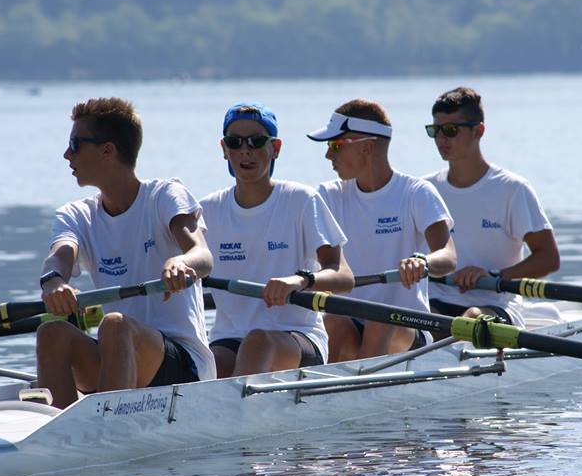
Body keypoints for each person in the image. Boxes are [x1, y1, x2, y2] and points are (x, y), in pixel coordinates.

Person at [36, 97, 215, 408]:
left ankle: (104, 429)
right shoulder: (77, 215)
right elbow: (60, 255)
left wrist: (181, 262)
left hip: (183, 366)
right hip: (117, 353)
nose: (66, 155)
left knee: (116, 326)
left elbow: (202, 256)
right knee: (52, 332)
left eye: (75, 144)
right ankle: (60, 435)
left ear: (108, 150)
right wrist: (54, 282)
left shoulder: (164, 197)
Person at [201, 102, 354, 377]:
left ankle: (241, 415)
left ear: (276, 148)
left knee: (259, 342)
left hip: (297, 336)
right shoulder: (208, 210)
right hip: (228, 338)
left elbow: (343, 276)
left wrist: (300, 281)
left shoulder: (301, 200)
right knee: (208, 363)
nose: (245, 150)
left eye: (257, 141)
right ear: (224, 149)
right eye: (235, 142)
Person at [307, 99, 456, 362]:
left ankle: (359, 391)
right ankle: (337, 392)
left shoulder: (416, 193)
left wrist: (422, 261)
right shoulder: (328, 196)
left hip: (408, 325)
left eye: (335, 146)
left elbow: (447, 255)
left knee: (381, 318)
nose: (328, 155)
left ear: (366, 147)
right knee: (333, 322)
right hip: (351, 320)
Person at [423, 86, 560, 327]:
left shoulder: (512, 189)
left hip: (496, 302)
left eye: (451, 130)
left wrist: (496, 276)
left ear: (478, 131)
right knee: (417, 322)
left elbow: (548, 258)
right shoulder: (425, 189)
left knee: (472, 319)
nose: (442, 138)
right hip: (435, 299)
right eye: (435, 130)